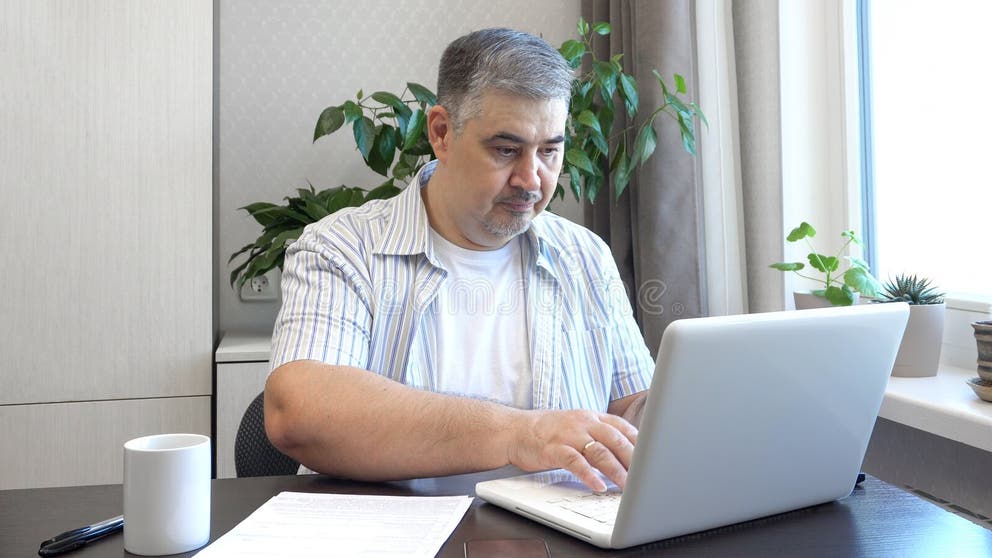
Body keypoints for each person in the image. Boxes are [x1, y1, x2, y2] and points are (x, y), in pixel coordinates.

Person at [264, 27, 654, 492]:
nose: (532, 179)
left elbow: (629, 408)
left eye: (550, 151)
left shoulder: (585, 256)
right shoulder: (341, 248)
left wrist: (679, 410)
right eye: (506, 150)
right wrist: (521, 434)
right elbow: (299, 411)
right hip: (397, 538)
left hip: (564, 534)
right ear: (442, 133)